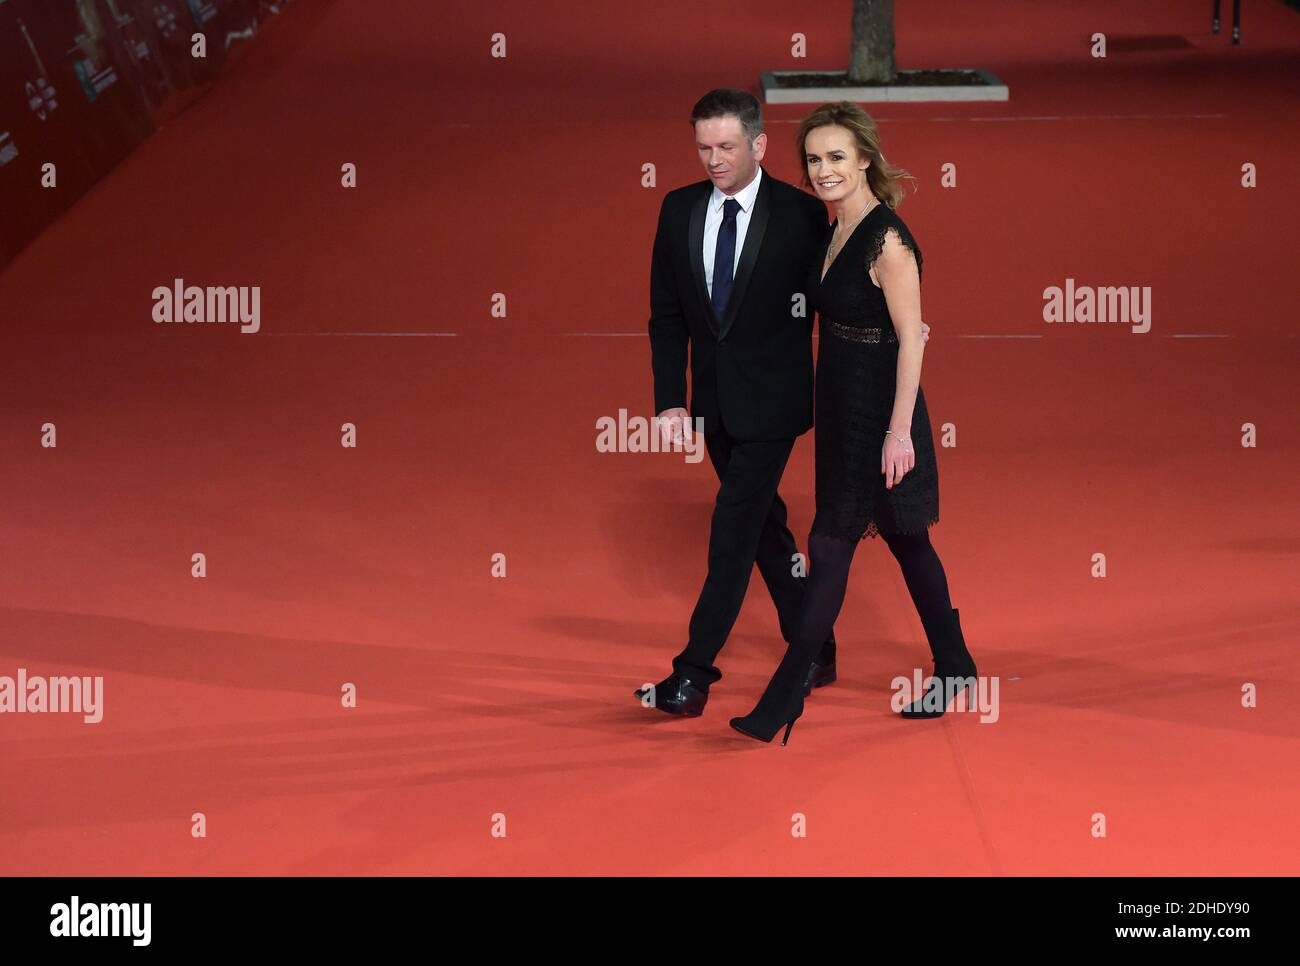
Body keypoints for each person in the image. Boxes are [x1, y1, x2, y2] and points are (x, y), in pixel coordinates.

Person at [730, 102, 976, 744]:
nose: (824, 170)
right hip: (841, 405)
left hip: (882, 415)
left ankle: (787, 693)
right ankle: (956, 664)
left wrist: (900, 433)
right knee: (907, 538)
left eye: (837, 156)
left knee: (832, 544)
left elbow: (913, 340)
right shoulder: (835, 227)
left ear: (865, 157)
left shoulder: (888, 241)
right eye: (814, 159)